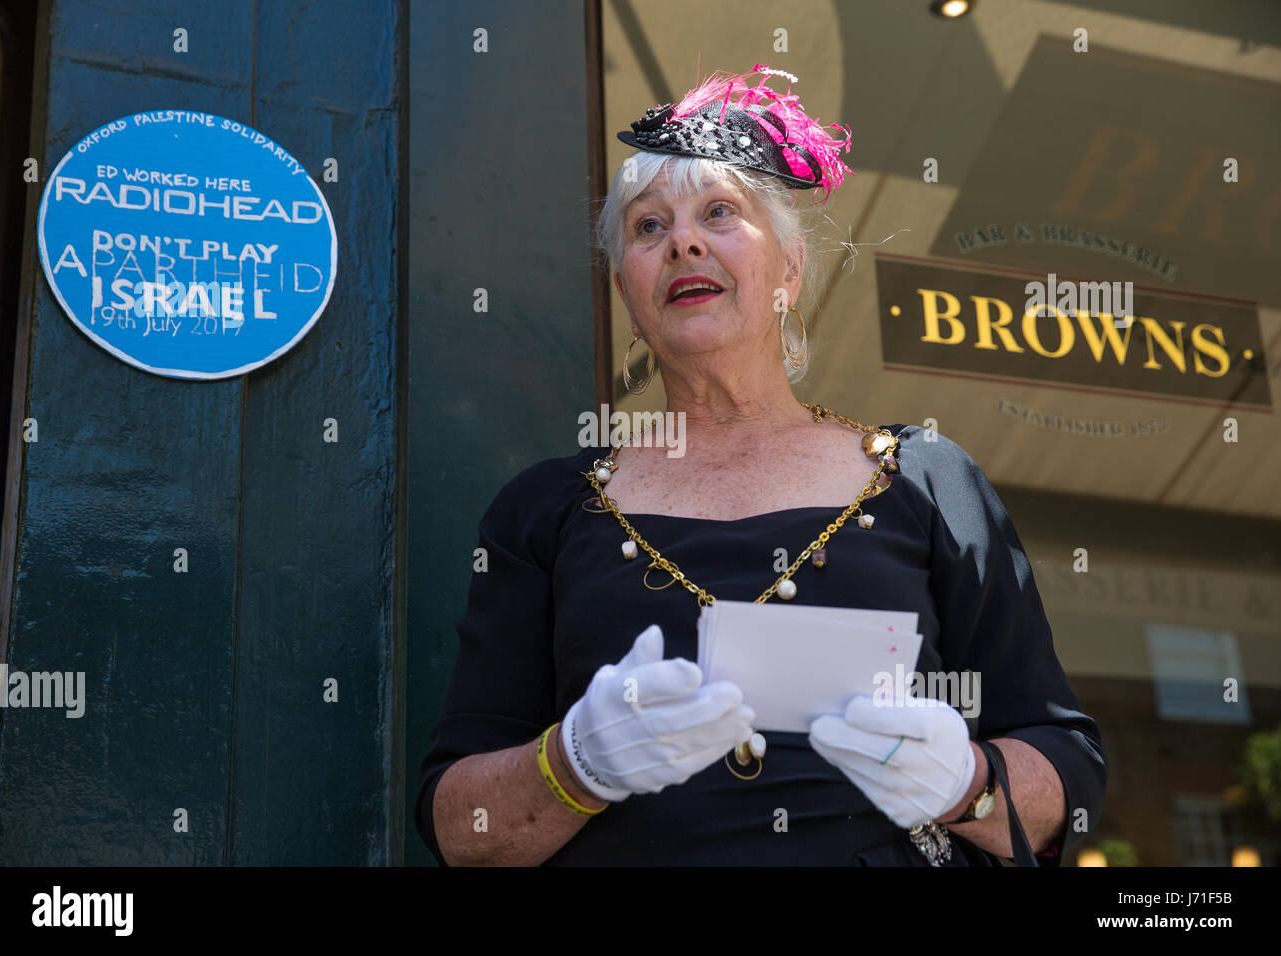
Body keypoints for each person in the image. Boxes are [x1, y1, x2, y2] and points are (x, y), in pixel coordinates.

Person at [415, 64, 1106, 866]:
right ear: (627, 295)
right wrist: (574, 765)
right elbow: (457, 828)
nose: (682, 241)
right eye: (647, 228)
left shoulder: (927, 479)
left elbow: (1070, 778)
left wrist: (969, 785)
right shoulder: (544, 509)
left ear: (789, 271)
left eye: (719, 213)